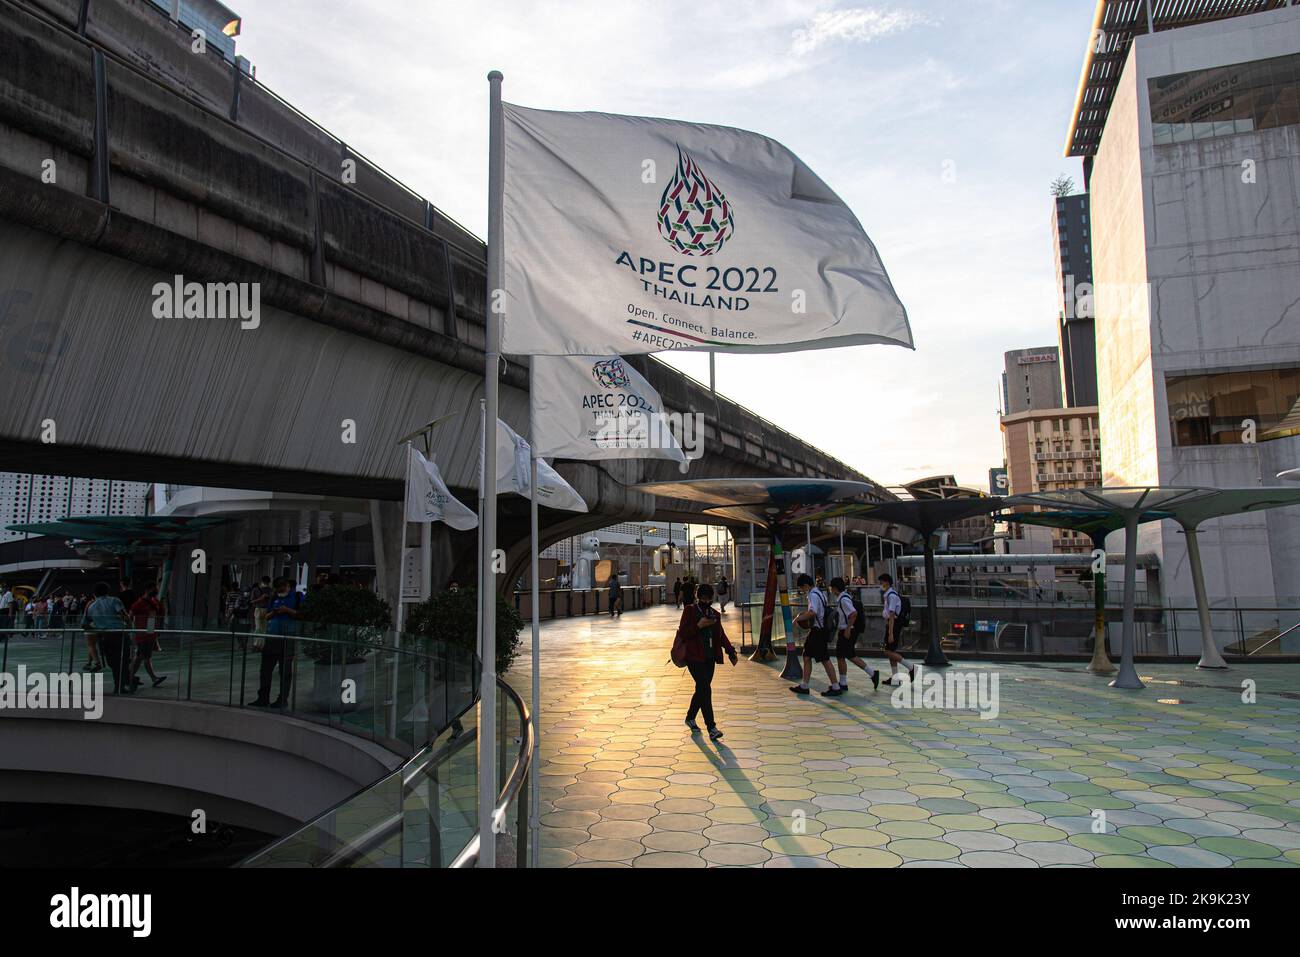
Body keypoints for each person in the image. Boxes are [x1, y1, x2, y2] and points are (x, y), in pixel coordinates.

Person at [675, 582, 736, 741]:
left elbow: (721, 635)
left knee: (702, 688)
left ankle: (690, 717)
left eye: (708, 599)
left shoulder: (714, 614)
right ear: (697, 597)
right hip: (693, 657)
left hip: (709, 657)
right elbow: (683, 633)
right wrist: (699, 625)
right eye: (703, 598)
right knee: (705, 689)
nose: (706, 601)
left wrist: (730, 652)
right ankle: (712, 727)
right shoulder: (690, 611)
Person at [250, 578, 302, 708]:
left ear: (288, 586)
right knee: (265, 670)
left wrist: (287, 610)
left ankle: (282, 699)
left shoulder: (297, 597)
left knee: (285, 671)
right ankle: (263, 697)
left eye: (282, 590)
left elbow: (302, 615)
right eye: (278, 590)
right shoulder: (274, 598)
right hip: (272, 636)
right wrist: (274, 612)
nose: (280, 592)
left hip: (288, 637)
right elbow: (266, 617)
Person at [789, 573, 841, 697]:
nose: (801, 590)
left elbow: (813, 612)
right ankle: (805, 685)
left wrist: (797, 618)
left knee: (824, 659)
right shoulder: (820, 593)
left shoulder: (812, 595)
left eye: (801, 588)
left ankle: (835, 686)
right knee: (807, 655)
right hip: (818, 631)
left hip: (818, 631)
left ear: (806, 585)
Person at [830, 577, 879, 692]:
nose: (831, 590)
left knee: (841, 656)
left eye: (831, 588)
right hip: (849, 630)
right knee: (848, 655)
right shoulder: (845, 597)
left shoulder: (843, 599)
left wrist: (847, 629)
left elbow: (853, 613)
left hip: (847, 631)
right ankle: (871, 673)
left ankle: (844, 683)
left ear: (835, 588)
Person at [82, 582, 131, 691]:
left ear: (95, 593)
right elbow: (124, 615)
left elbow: (84, 624)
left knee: (113, 662)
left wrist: (98, 630)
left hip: (105, 637)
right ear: (107, 591)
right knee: (124, 659)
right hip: (120, 634)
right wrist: (129, 628)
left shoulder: (91, 606)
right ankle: (122, 684)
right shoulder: (114, 600)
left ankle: (120, 683)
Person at [878, 574, 916, 685]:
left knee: (887, 651)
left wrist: (890, 633)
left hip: (894, 624)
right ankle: (895, 678)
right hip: (892, 624)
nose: (881, 585)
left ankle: (911, 667)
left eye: (882, 582)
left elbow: (892, 614)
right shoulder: (889, 595)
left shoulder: (892, 596)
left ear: (887, 583)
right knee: (891, 651)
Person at [127, 587, 167, 691]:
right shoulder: (142, 603)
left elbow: (159, 615)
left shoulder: (152, 603)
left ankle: (130, 677)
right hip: (144, 634)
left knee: (142, 657)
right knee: (143, 657)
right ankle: (150, 678)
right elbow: (131, 616)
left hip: (148, 633)